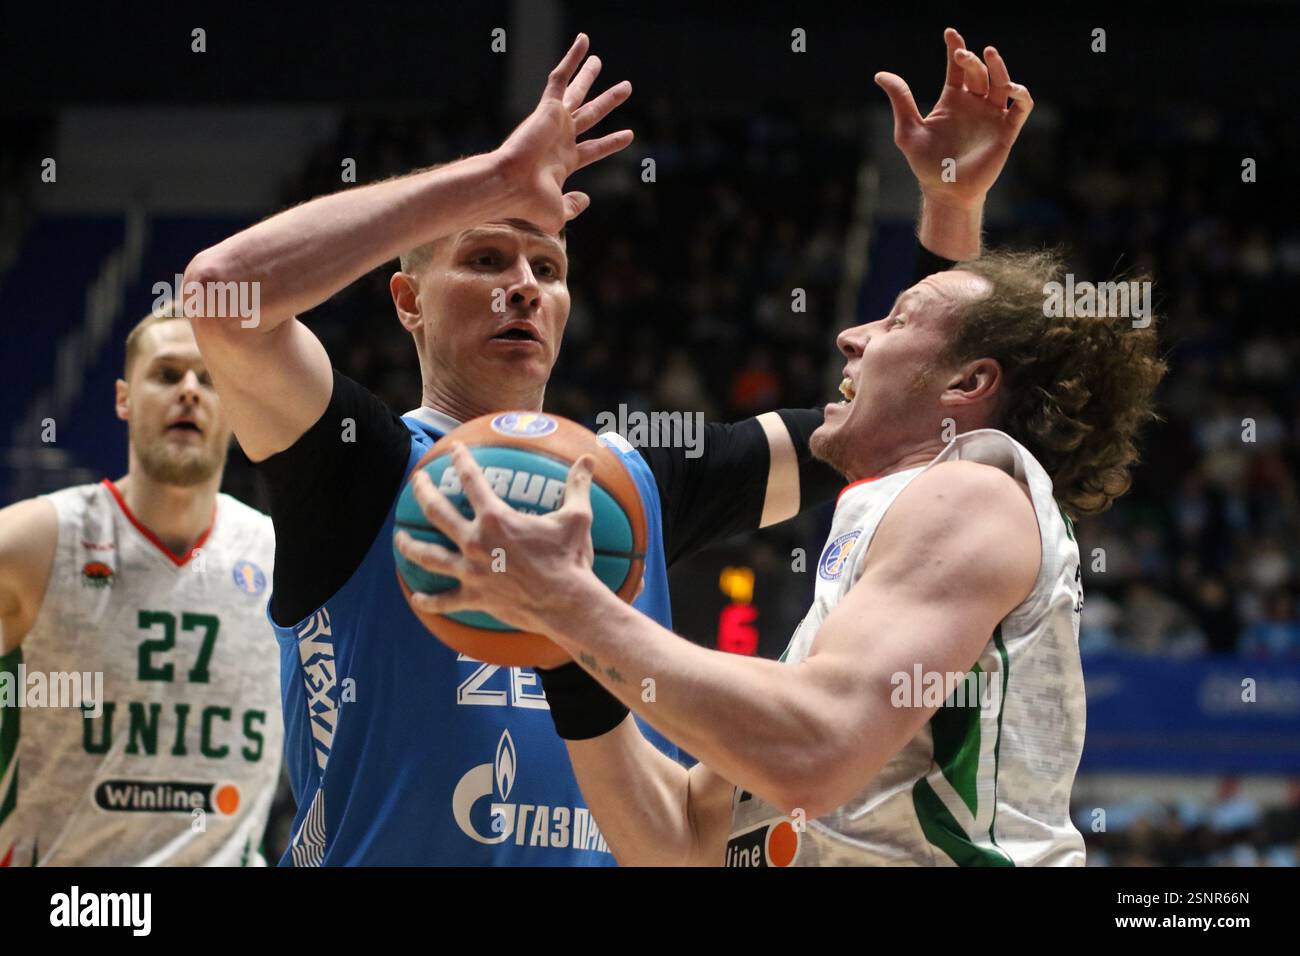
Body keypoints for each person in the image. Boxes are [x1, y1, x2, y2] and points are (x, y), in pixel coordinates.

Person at [185, 28, 1024, 864]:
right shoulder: (357, 462)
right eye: (484, 257)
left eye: (548, 270)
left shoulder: (633, 486)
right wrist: (494, 177)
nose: (524, 286)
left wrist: (949, 202)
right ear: (408, 300)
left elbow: (888, 433)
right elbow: (221, 296)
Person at [395, 39, 1166, 866]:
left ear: (968, 384)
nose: (852, 334)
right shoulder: (864, 587)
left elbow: (818, 748)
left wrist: (576, 608)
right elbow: (679, 839)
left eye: (893, 322)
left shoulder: (972, 492)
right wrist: (568, 644)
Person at [0, 309, 281, 865]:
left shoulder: (282, 556)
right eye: (167, 374)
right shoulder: (39, 541)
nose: (189, 393)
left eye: (209, 379)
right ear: (124, 399)